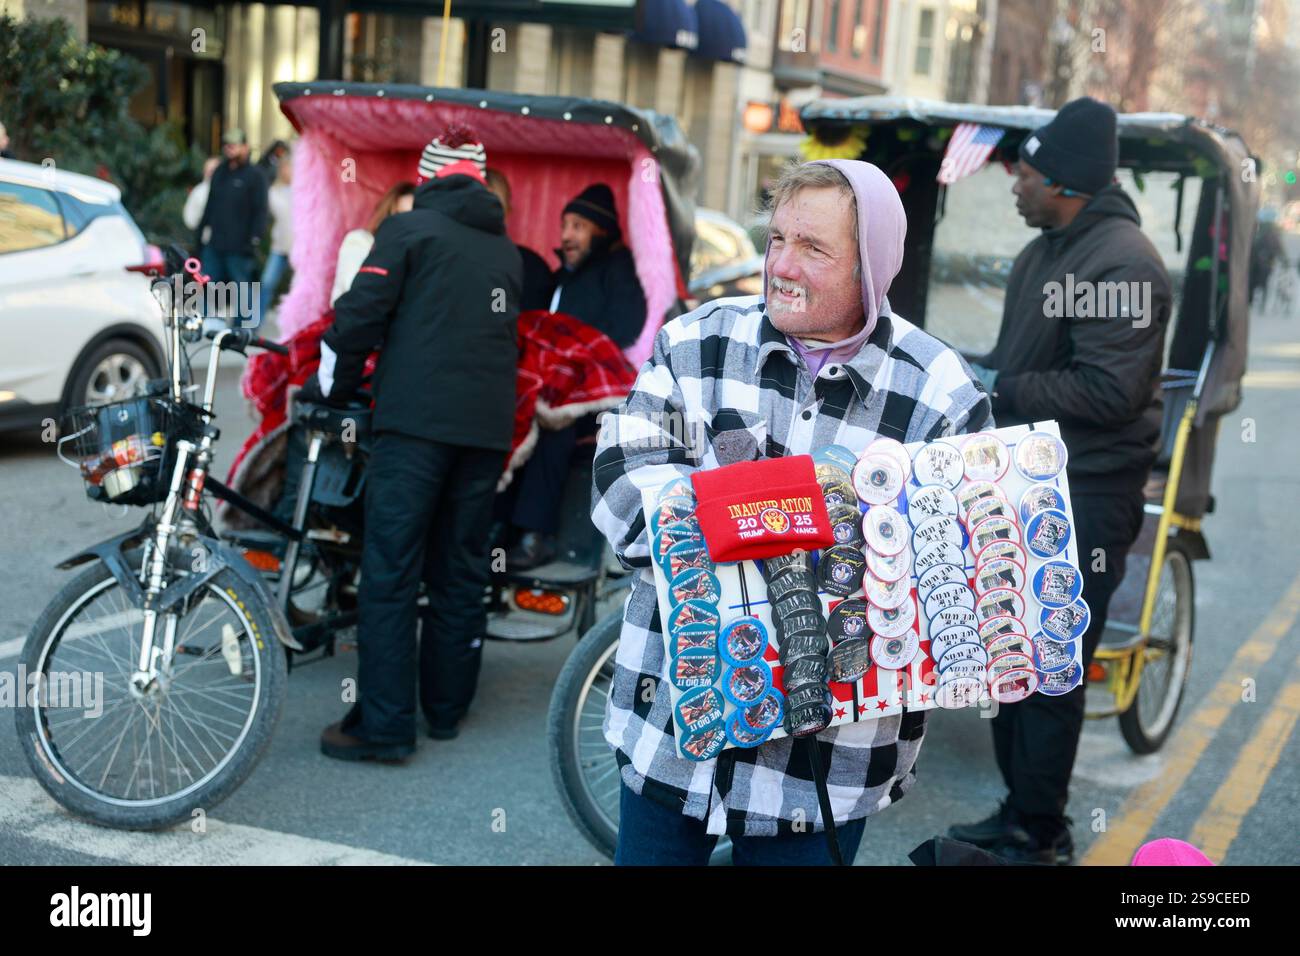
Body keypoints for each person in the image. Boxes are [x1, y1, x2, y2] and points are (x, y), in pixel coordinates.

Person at [592, 159, 991, 866]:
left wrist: (728, 521)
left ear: (870, 269)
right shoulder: (696, 344)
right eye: (777, 238)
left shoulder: (940, 394)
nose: (782, 263)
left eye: (814, 248)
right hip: (670, 732)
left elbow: (956, 578)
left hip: (824, 769)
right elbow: (623, 484)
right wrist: (798, 527)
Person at [957, 97, 1172, 865]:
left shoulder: (1121, 261)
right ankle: (1020, 812)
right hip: (1024, 483)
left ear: (1066, 183)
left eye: (1027, 172)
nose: (1014, 182)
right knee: (1008, 656)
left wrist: (1003, 385)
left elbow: (1109, 392)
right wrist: (971, 373)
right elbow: (1026, 359)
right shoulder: (1048, 250)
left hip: (1085, 496)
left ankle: (1039, 832)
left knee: (1050, 666)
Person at [313, 125, 522, 760]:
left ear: (429, 177)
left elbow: (358, 318)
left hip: (414, 429)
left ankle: (384, 727)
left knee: (391, 572)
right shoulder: (505, 253)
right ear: (480, 182)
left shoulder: (408, 231)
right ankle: (446, 711)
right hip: (484, 434)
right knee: (460, 573)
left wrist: (338, 391)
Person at [508, 182, 647, 569]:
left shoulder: (618, 270)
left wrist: (571, 359)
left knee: (556, 430)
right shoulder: (563, 277)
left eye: (577, 226)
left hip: (591, 393)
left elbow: (622, 328)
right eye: (564, 225)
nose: (566, 235)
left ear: (600, 231)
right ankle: (495, 528)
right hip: (548, 384)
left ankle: (537, 535)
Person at [197, 128, 268, 292]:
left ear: (245, 147)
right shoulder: (220, 172)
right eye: (227, 144)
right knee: (205, 285)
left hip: (240, 247)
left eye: (234, 144)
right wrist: (200, 234)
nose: (230, 148)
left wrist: (254, 240)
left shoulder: (256, 175)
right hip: (215, 244)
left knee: (243, 290)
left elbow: (260, 210)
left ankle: (244, 319)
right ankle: (205, 318)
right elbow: (210, 205)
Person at [330, 182, 415, 306]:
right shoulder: (360, 240)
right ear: (386, 215)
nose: (404, 223)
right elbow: (356, 293)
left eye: (413, 217)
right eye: (399, 215)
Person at [259, 148, 293, 323]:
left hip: (301, 248)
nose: (290, 171)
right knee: (267, 283)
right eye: (286, 167)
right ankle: (254, 323)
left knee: (301, 288)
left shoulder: (304, 191)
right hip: (280, 246)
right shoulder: (274, 192)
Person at [183, 157, 221, 247]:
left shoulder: (230, 189)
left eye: (214, 170)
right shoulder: (199, 191)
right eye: (209, 170)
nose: (211, 173)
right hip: (206, 242)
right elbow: (190, 219)